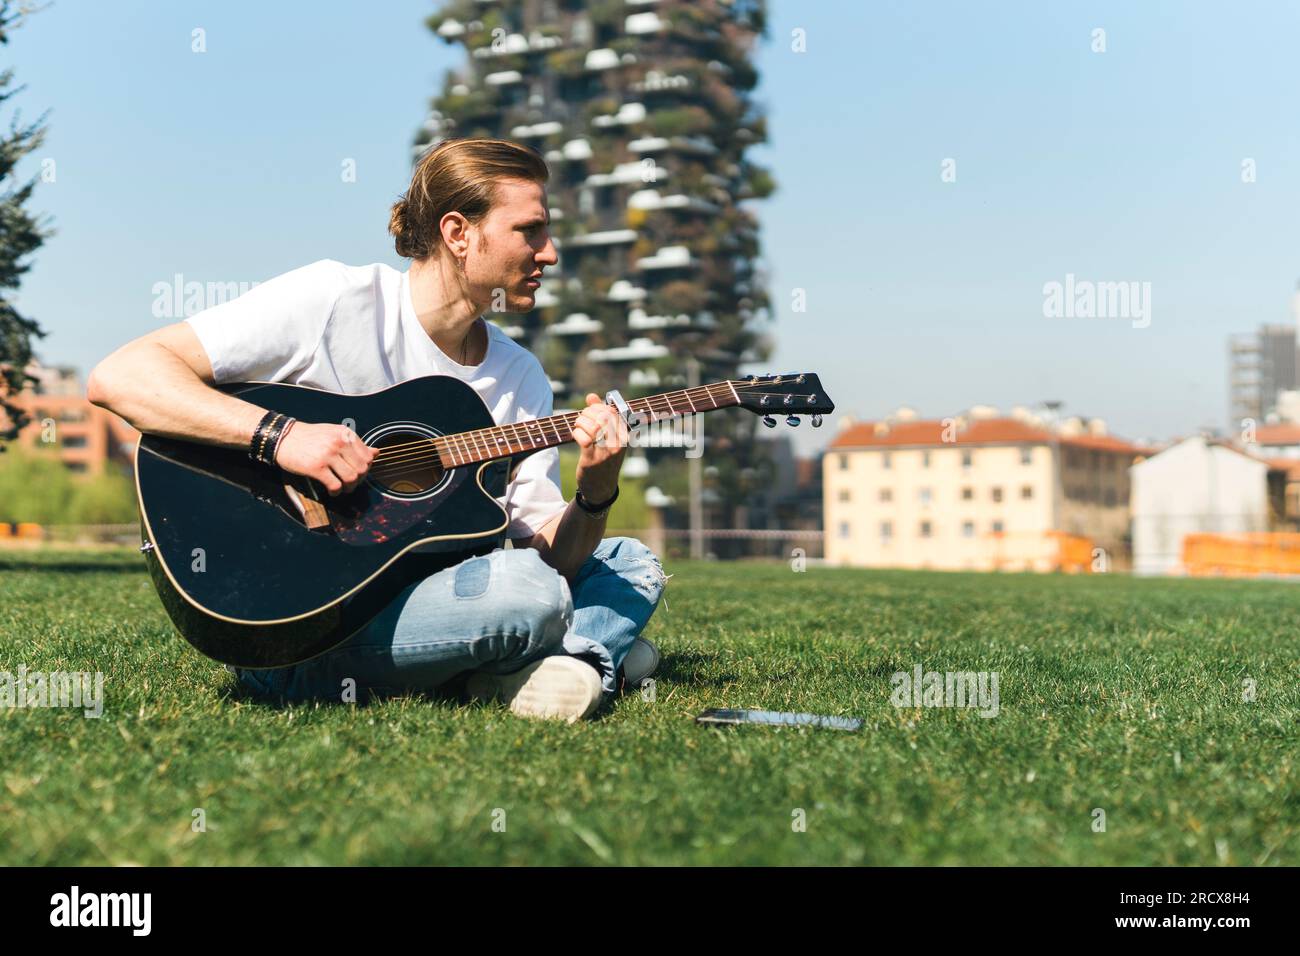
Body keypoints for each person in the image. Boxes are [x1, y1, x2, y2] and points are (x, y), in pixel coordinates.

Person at [87, 138, 667, 723]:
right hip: (294, 626)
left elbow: (552, 555)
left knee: (629, 563)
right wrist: (281, 436)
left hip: (444, 595)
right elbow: (122, 376)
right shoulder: (333, 301)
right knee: (529, 594)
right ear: (458, 233)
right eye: (530, 231)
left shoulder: (520, 375)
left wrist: (594, 494)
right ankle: (575, 656)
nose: (550, 254)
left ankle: (567, 666)